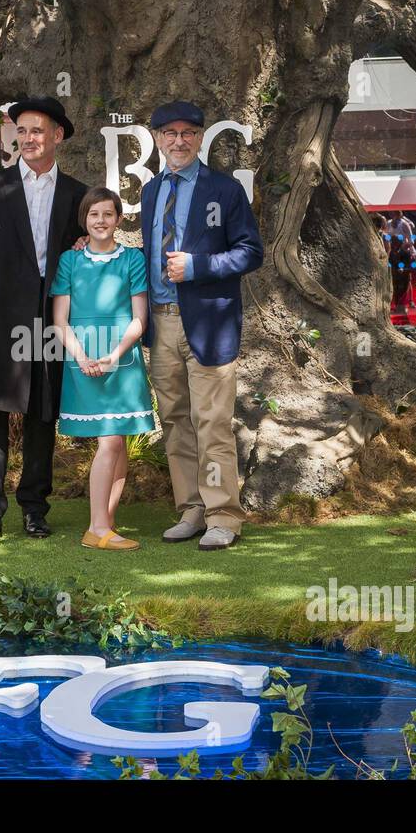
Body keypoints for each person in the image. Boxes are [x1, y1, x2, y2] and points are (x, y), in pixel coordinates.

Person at [0, 95, 88, 549]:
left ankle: (35, 508)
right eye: (22, 131)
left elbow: (86, 259)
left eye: (38, 131)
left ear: (57, 137)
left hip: (49, 320)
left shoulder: (77, 195)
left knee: (42, 415)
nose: (28, 138)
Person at [141, 100, 263, 551]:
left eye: (188, 133)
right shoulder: (151, 192)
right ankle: (191, 508)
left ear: (200, 138)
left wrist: (196, 266)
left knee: (211, 422)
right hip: (161, 321)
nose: (178, 141)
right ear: (157, 139)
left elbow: (251, 252)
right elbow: (152, 254)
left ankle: (223, 516)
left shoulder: (225, 190)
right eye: (169, 133)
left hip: (210, 323)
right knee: (174, 422)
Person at [50, 187, 154, 550]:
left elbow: (140, 317)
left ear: (119, 219)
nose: (101, 221)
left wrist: (116, 353)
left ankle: (105, 523)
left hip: (121, 360)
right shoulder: (70, 261)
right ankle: (97, 528)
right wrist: (80, 356)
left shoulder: (133, 260)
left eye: (108, 214)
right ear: (85, 220)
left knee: (119, 442)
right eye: (94, 214)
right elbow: (60, 320)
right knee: (109, 440)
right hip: (82, 359)